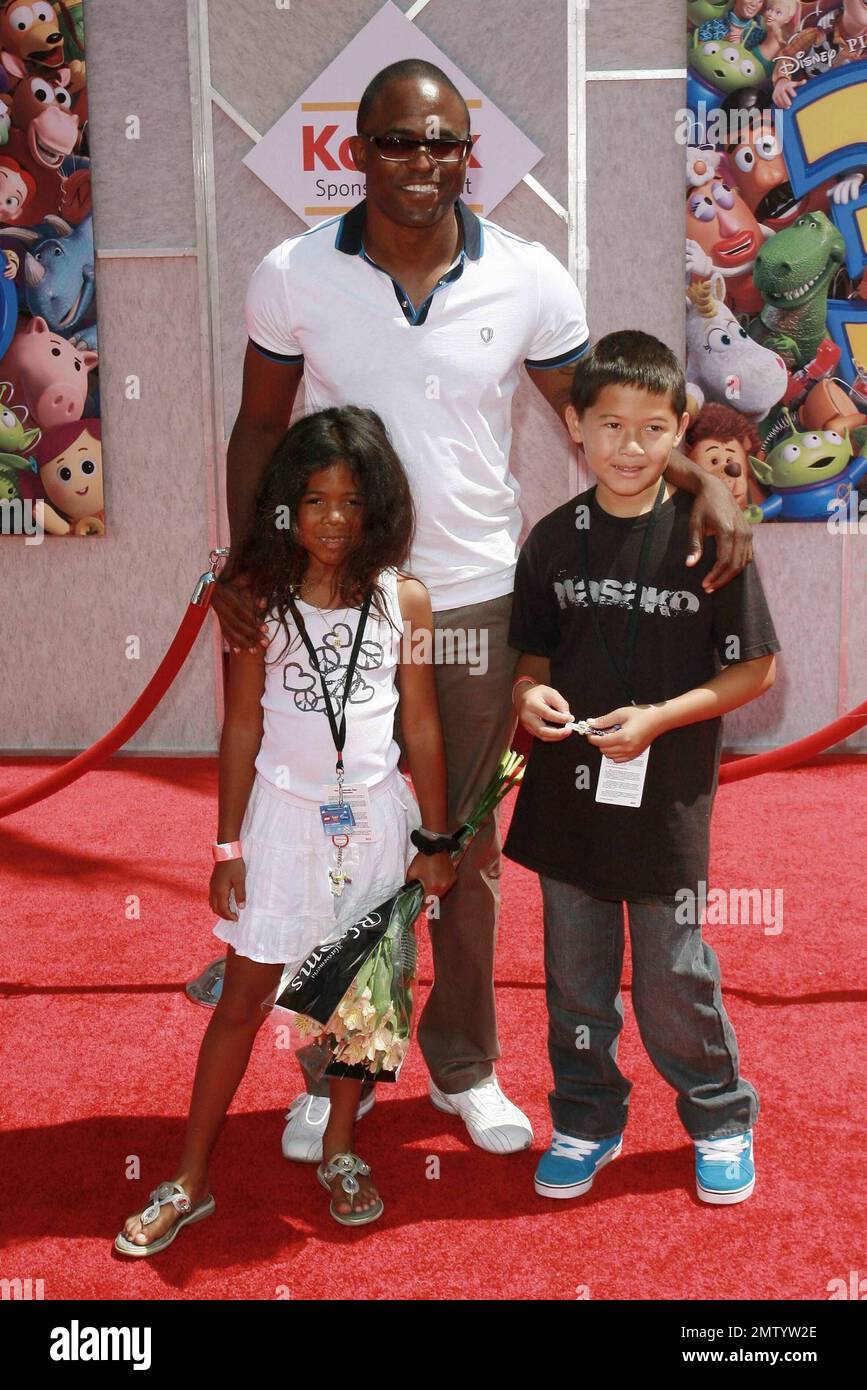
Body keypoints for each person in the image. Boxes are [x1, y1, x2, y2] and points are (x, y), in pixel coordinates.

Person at [210, 58, 753, 1163]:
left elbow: (600, 417)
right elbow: (261, 430)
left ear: (473, 155)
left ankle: (464, 1067)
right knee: (342, 855)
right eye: (399, 142)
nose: (422, 163)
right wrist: (249, 565)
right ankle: (328, 1068)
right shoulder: (290, 274)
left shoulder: (530, 278)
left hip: (480, 605)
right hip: (343, 609)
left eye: (444, 143)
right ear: (354, 152)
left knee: (460, 849)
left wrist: (701, 480)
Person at [115, 407, 455, 1251]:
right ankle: (190, 1176)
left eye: (350, 501)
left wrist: (438, 842)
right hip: (282, 823)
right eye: (313, 501)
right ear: (284, 508)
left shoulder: (403, 598)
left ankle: (339, 1147)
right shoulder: (255, 603)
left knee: (360, 1001)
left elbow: (422, 727)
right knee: (242, 1000)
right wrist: (226, 846)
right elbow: (240, 729)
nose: (333, 519)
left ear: (378, 506)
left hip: (377, 823)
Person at [504, 331, 780, 1205]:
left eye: (651, 428)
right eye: (609, 425)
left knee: (673, 978)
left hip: (665, 802)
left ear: (678, 430)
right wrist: (528, 701)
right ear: (574, 426)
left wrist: (661, 719)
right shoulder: (551, 539)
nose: (629, 446)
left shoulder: (710, 535)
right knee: (575, 983)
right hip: (566, 805)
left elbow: (753, 670)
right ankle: (586, 1118)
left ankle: (719, 1117)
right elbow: (533, 662)